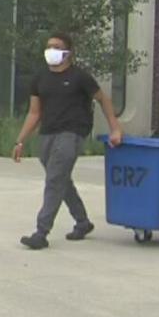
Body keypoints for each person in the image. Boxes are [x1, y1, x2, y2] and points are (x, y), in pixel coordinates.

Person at [13, 32, 124, 250]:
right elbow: (34, 113)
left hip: (72, 133)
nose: (50, 51)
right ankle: (82, 222)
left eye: (56, 47)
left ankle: (41, 232)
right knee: (61, 180)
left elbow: (103, 99)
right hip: (47, 133)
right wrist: (20, 141)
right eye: (48, 47)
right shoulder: (39, 78)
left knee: (54, 179)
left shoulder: (79, 77)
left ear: (68, 53)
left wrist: (115, 128)